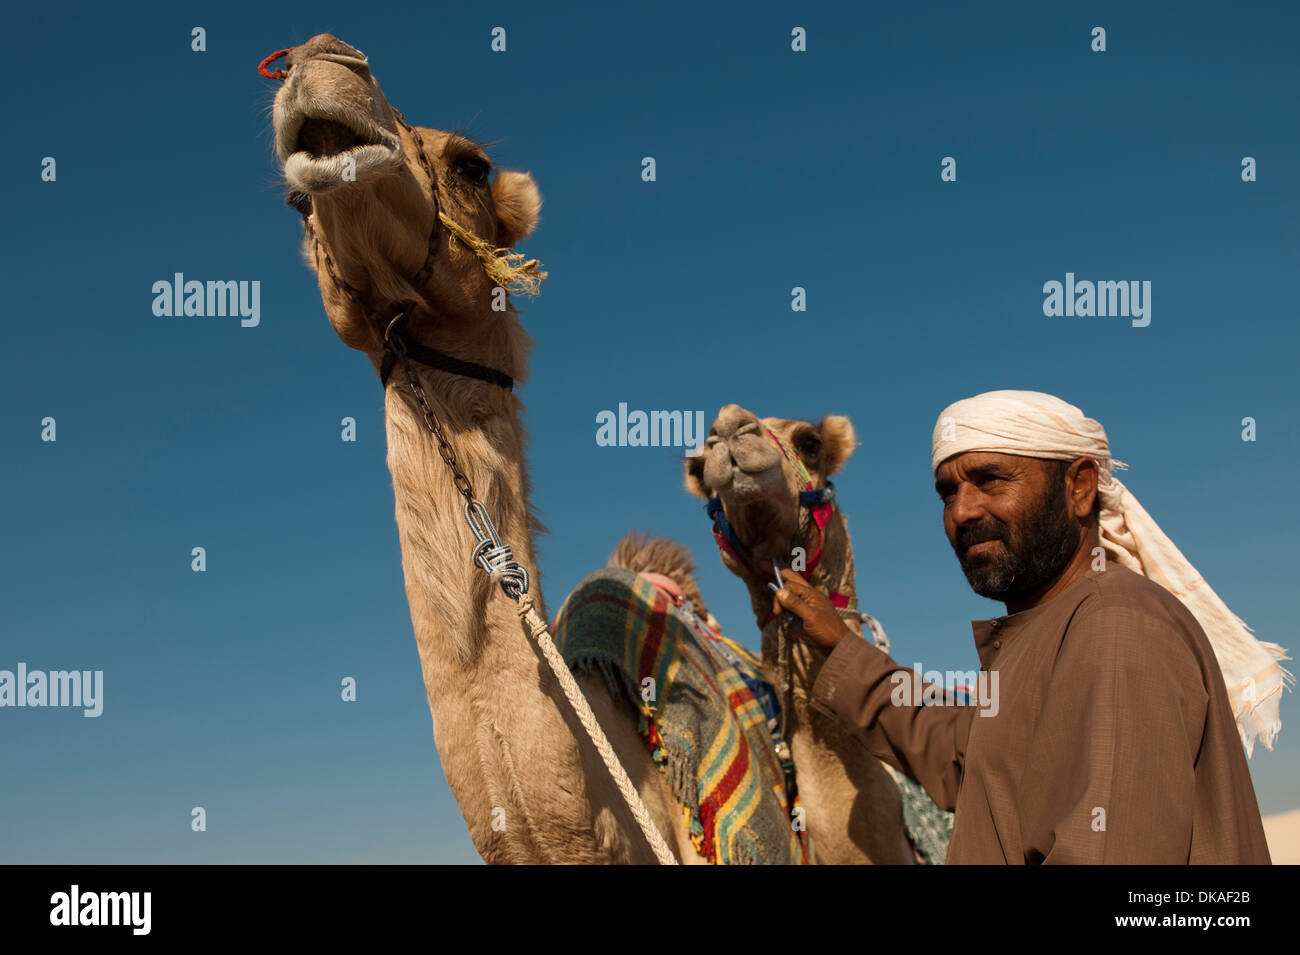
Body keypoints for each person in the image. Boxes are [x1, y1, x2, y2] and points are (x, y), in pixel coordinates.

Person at [774, 390, 1289, 864]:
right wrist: (841, 644)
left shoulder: (1115, 626)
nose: (963, 511)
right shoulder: (1052, 633)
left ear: (1079, 486)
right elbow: (958, 749)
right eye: (947, 493)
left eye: (990, 480)